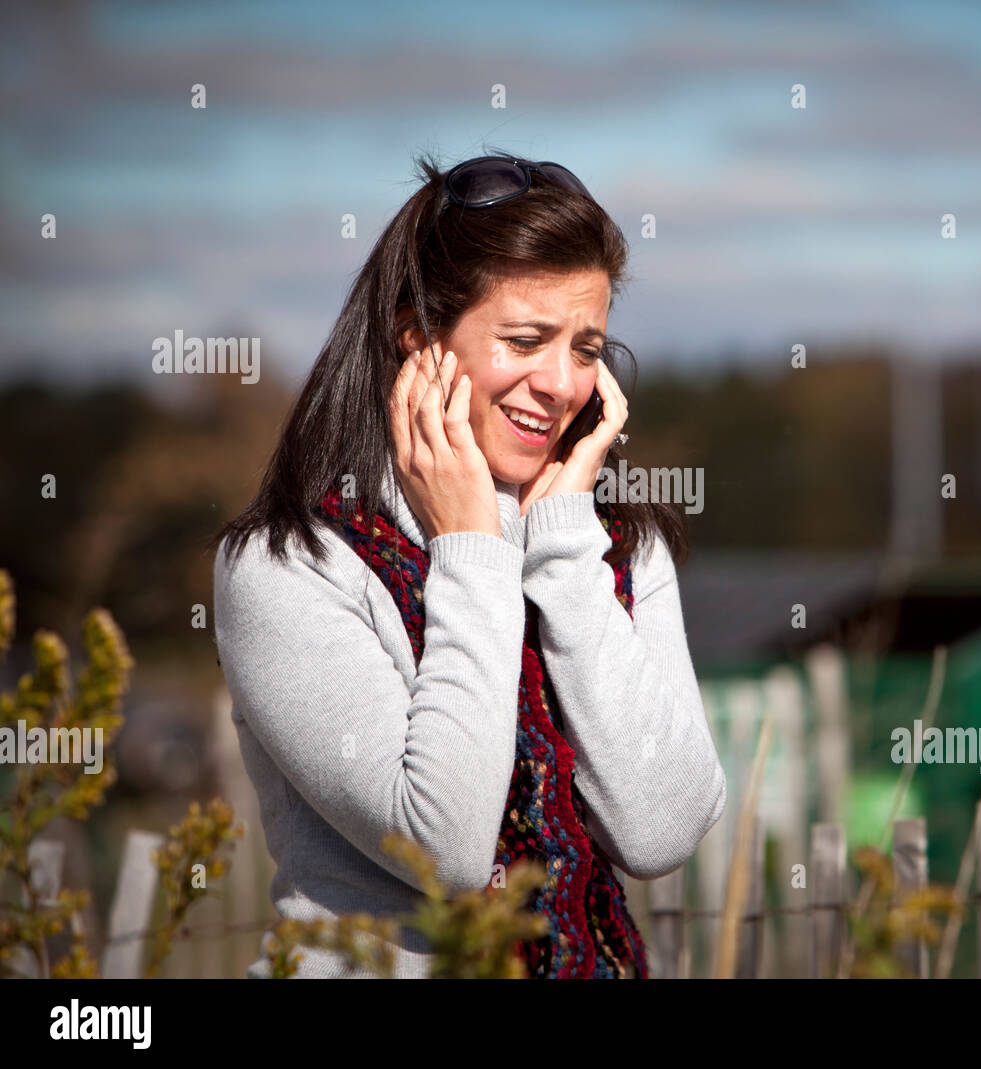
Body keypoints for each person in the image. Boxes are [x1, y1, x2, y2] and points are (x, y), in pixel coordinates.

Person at [211, 151, 726, 978]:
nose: (560, 383)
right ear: (420, 341)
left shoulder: (614, 546)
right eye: (526, 339)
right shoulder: (291, 566)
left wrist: (560, 546)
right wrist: (473, 547)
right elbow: (440, 847)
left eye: (586, 346)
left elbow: (660, 828)